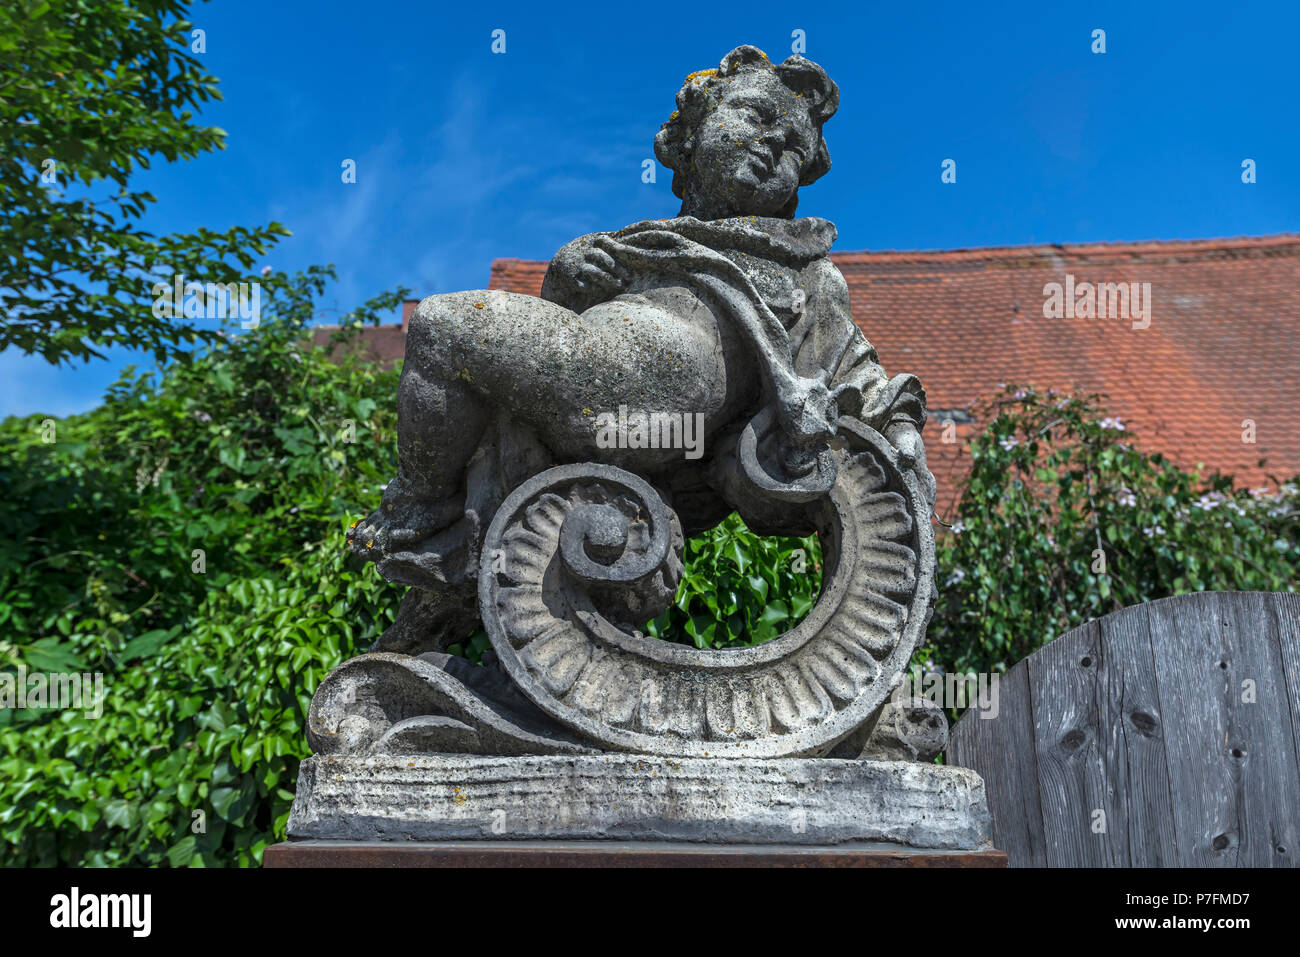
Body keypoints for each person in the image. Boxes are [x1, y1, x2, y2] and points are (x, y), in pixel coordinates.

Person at [351, 45, 934, 653]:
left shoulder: (804, 272)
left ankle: (418, 508)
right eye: (757, 117)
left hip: (653, 412)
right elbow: (562, 320)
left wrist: (901, 427)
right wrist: (565, 277)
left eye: (793, 147)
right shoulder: (651, 246)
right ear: (690, 134)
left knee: (446, 326)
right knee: (463, 369)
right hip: (597, 378)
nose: (772, 146)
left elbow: (857, 371)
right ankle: (435, 588)